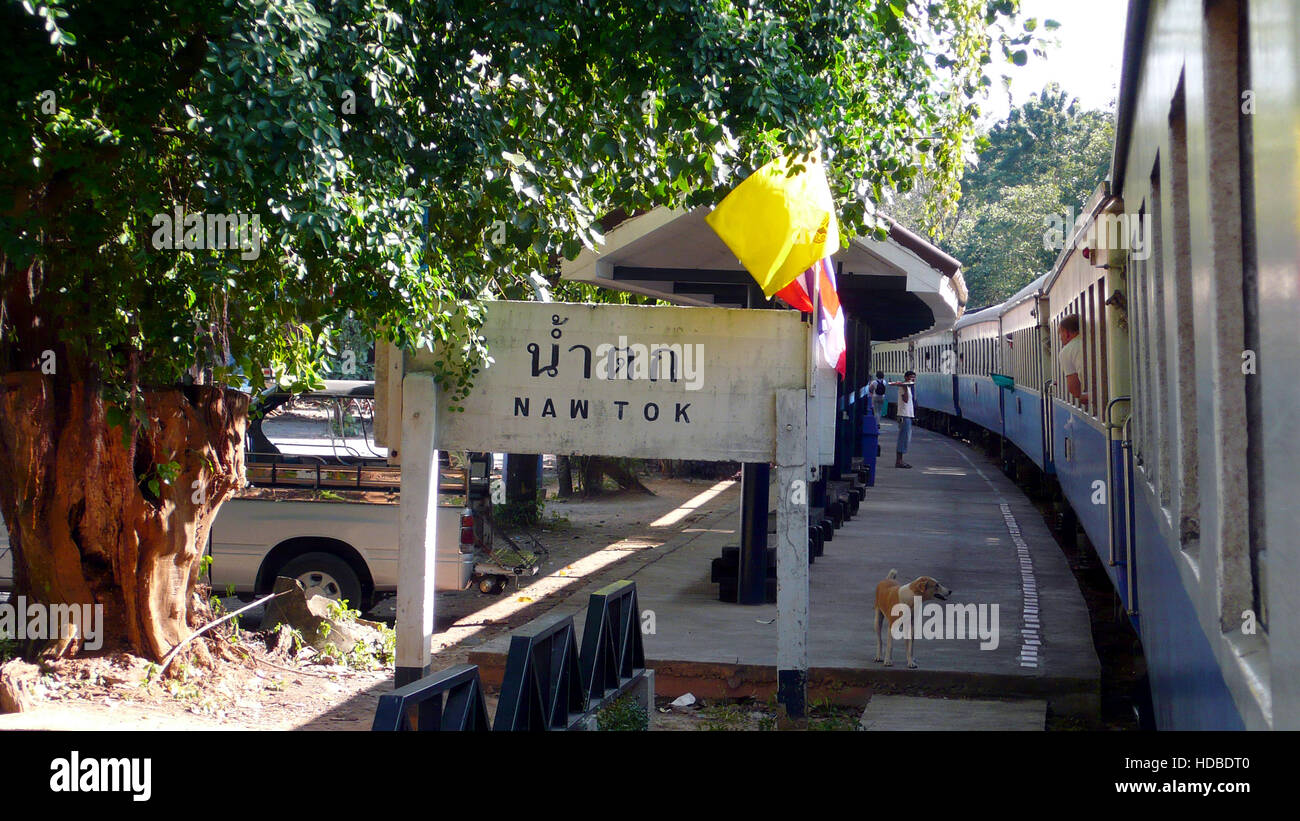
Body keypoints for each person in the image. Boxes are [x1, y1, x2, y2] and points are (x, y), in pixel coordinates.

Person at [1057, 314, 1089, 408]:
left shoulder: (1067, 351)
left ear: (1066, 333)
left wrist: (1082, 396)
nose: (1060, 338)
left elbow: (1075, 390)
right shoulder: (1094, 341)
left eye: (1060, 333)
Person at [889, 370, 916, 468]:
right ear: (906, 378)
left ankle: (900, 460)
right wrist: (904, 387)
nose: (912, 379)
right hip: (904, 415)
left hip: (908, 415)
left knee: (905, 438)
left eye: (914, 377)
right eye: (910, 377)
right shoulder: (903, 387)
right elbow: (906, 400)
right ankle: (899, 461)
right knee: (903, 438)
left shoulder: (907, 387)